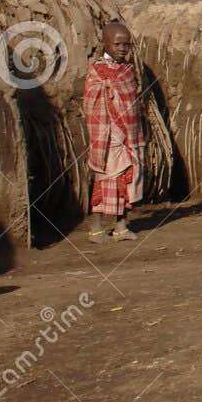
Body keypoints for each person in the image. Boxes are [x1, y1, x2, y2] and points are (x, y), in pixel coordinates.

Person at [84, 21, 144, 243]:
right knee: (106, 179)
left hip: (128, 135)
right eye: (118, 43)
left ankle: (121, 227)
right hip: (108, 136)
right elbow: (92, 104)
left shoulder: (127, 70)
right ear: (106, 43)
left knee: (127, 180)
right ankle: (96, 229)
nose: (122, 48)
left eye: (126, 44)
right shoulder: (97, 71)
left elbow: (132, 103)